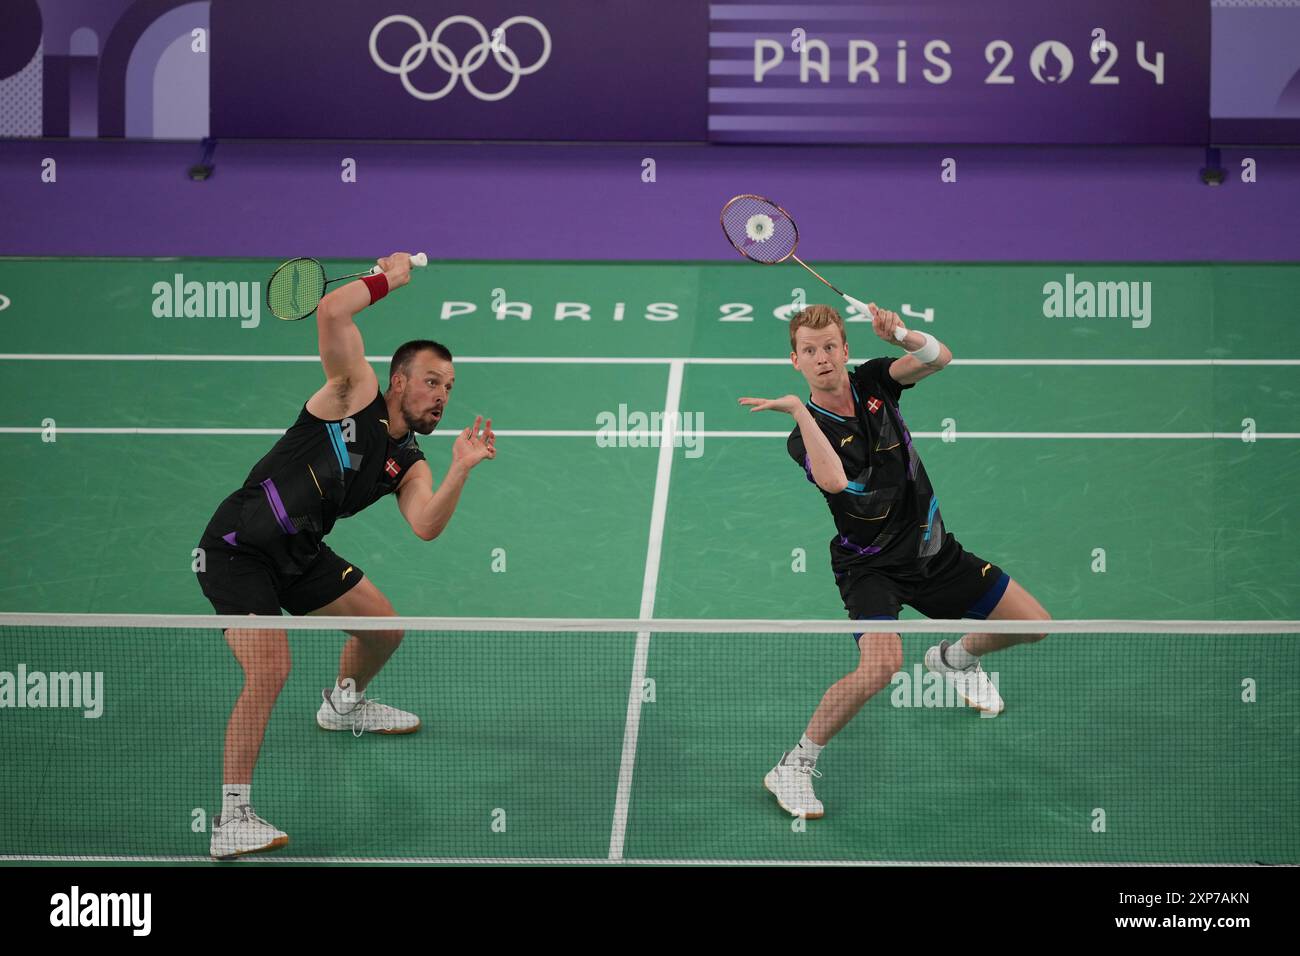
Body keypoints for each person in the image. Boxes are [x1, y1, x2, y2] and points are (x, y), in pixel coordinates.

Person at [195, 252, 495, 857]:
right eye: (433, 382)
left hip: (301, 550)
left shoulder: (409, 459)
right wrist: (391, 279)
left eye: (450, 388)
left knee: (384, 629)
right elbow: (333, 308)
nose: (442, 396)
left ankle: (343, 703)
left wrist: (460, 469)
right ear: (400, 380)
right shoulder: (351, 393)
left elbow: (425, 526)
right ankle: (230, 818)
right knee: (271, 669)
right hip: (240, 547)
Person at [739, 303, 1050, 819]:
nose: (822, 358)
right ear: (795, 360)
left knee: (1038, 626)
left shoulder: (875, 381)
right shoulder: (804, 435)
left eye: (830, 346)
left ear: (845, 349)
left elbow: (938, 357)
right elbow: (836, 482)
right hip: (870, 566)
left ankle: (955, 658)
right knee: (882, 665)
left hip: (932, 550)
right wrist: (798, 410)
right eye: (809, 351)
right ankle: (793, 765)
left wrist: (901, 333)